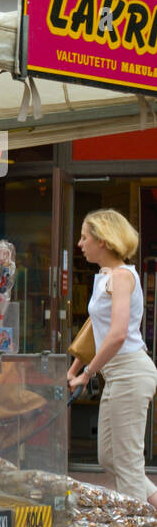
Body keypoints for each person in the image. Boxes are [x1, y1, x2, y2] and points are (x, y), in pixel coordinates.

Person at [68, 209, 157, 508]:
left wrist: (87, 374)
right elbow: (97, 329)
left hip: (130, 371)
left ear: (103, 241)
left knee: (128, 462)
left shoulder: (121, 277)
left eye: (84, 237)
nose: (80, 244)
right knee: (109, 457)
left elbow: (117, 334)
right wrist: (75, 367)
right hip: (117, 374)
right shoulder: (105, 278)